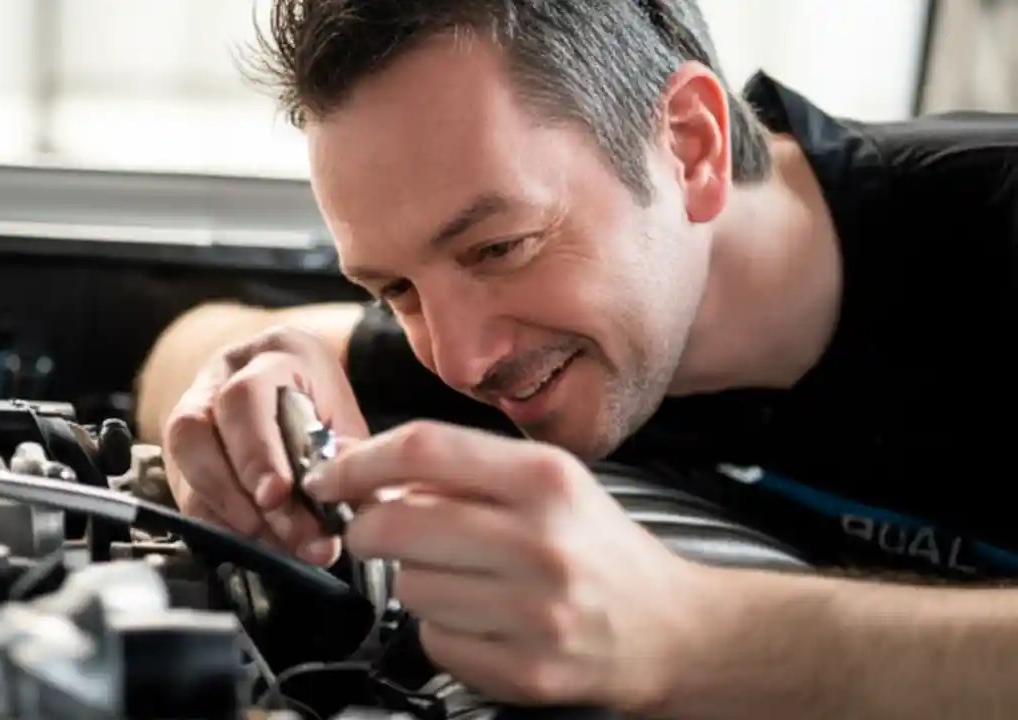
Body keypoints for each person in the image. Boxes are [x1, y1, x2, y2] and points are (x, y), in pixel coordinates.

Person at [134, 1, 1018, 716]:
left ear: (690, 144)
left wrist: (698, 634)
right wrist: (261, 383)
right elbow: (188, 347)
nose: (461, 360)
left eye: (499, 248)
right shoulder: (532, 336)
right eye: (394, 292)